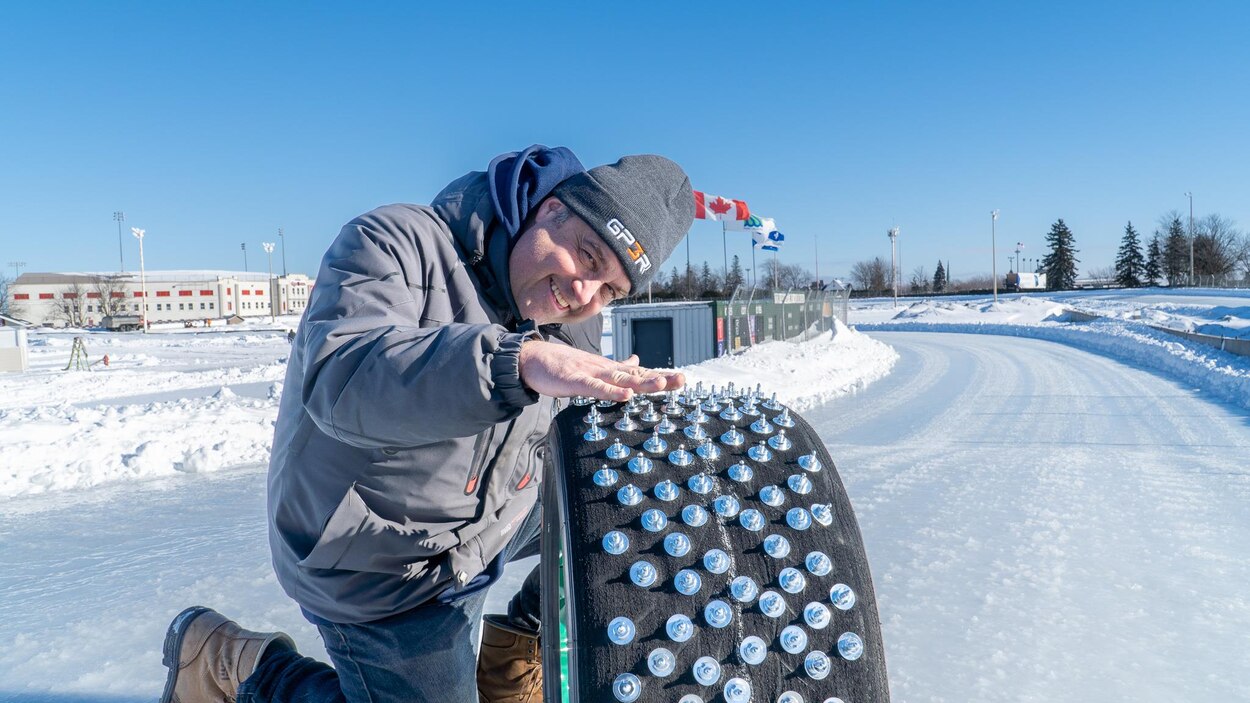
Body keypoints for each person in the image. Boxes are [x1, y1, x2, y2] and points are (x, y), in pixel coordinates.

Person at [159, 146, 695, 703]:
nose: (584, 294)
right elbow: (340, 380)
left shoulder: (569, 315)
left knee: (634, 504)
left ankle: (514, 651)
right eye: (587, 256)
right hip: (381, 561)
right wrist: (514, 364)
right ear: (551, 210)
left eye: (609, 289)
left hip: (481, 528)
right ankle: (233, 662)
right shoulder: (394, 242)